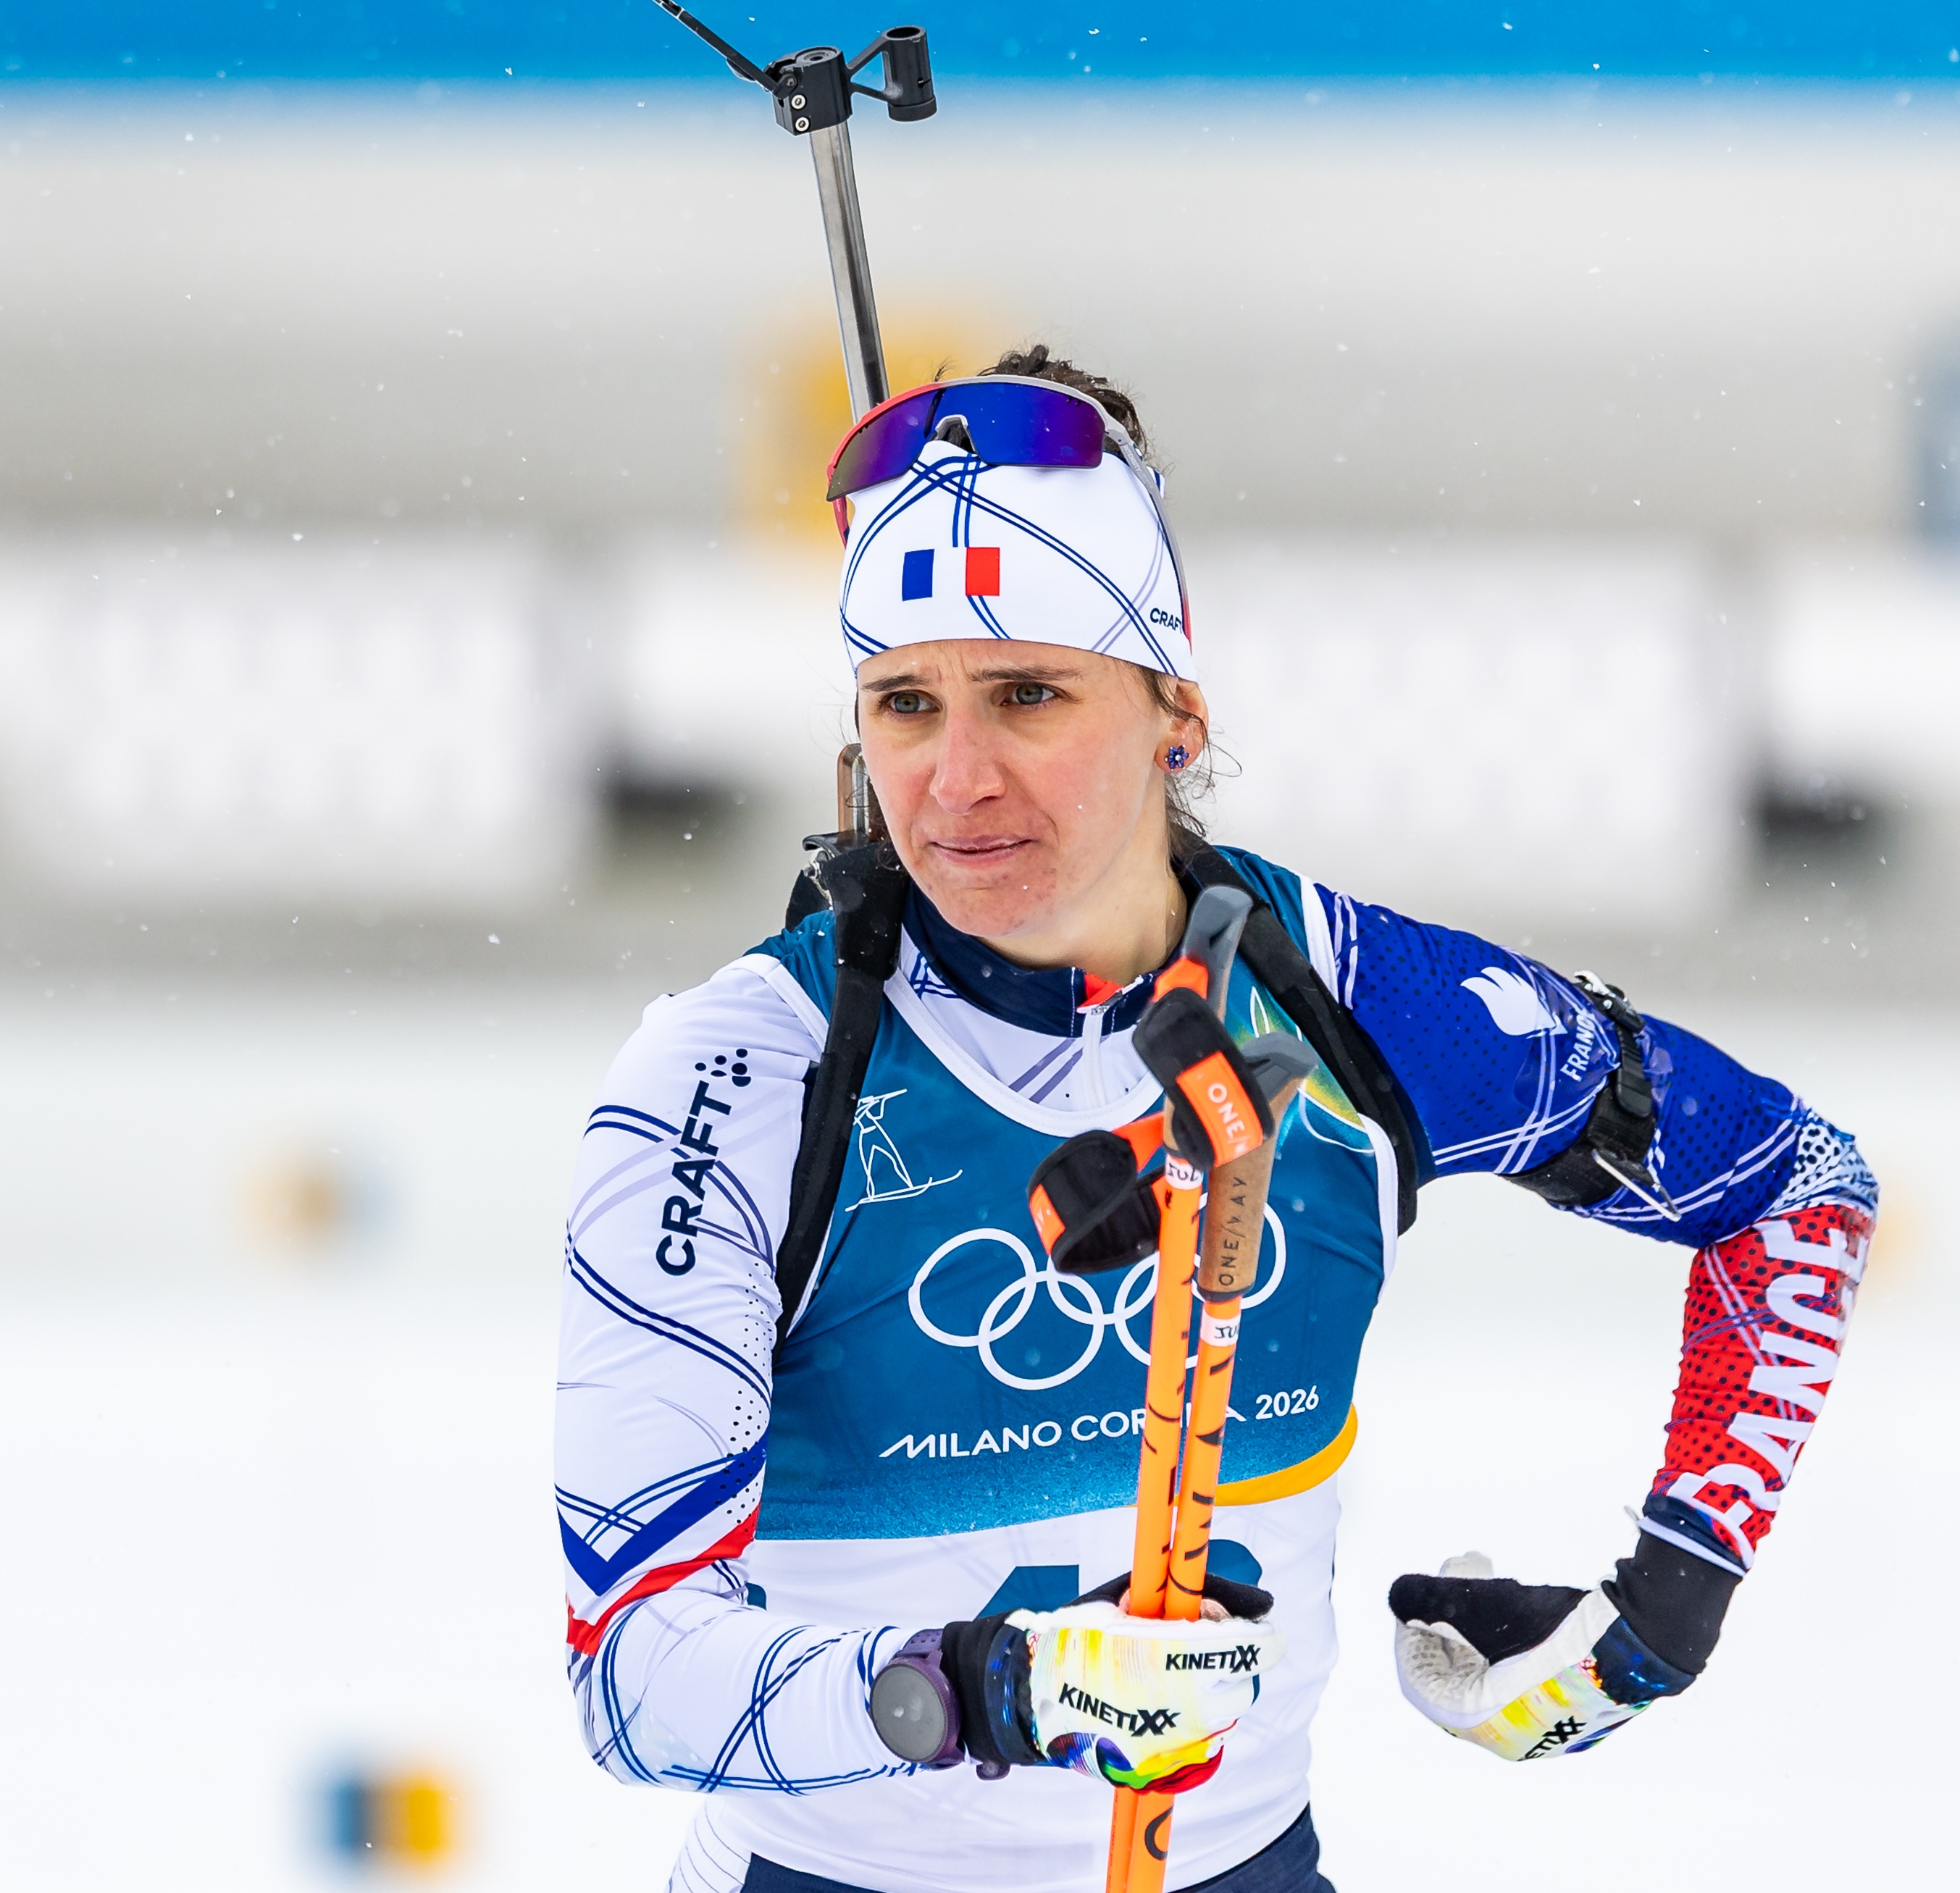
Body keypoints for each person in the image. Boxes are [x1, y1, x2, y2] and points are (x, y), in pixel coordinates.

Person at [555, 348, 1877, 1893]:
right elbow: (631, 1671)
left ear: (1174, 713)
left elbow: (1794, 1186)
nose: (957, 778)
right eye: (904, 702)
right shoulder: (735, 1083)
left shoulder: (1353, 1001)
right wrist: (993, 1687)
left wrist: (1661, 1605)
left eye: (1027, 694)